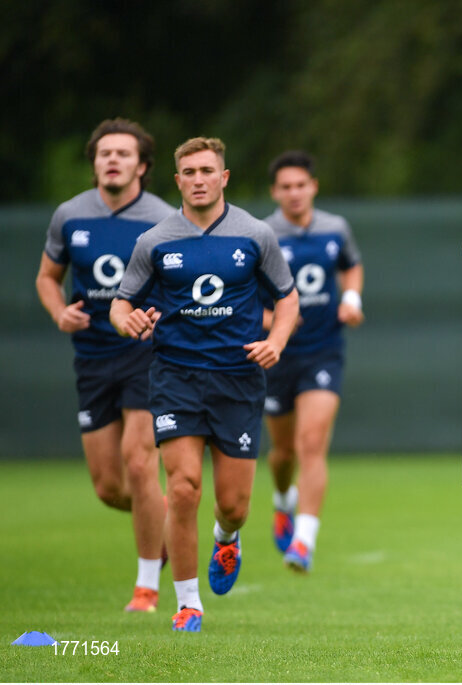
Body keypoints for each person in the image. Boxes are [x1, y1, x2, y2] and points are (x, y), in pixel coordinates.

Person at [110, 137, 298, 632]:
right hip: (175, 377)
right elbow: (121, 302)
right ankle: (188, 604)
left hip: (238, 380)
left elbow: (287, 298)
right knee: (184, 488)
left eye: (207, 171)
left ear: (224, 177)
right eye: (189, 172)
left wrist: (276, 341)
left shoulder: (255, 235)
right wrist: (125, 320)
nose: (198, 180)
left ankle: (227, 539)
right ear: (177, 181)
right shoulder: (154, 241)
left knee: (233, 506)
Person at [35, 118, 174, 613]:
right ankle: (172, 523)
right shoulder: (70, 215)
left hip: (144, 354)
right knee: (110, 487)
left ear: (142, 165)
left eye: (123, 153)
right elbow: (47, 277)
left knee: (139, 464)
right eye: (104, 153)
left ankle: (146, 588)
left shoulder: (163, 219)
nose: (112, 160)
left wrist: (158, 316)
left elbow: (181, 285)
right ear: (94, 162)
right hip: (92, 358)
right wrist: (59, 312)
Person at [261, 150, 364, 573]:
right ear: (275, 192)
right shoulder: (262, 234)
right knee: (283, 453)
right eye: (285, 187)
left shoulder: (334, 228)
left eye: (300, 185)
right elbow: (244, 295)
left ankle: (303, 541)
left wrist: (351, 299)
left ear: (313, 187)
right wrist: (273, 319)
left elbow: (351, 266)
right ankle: (283, 499)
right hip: (276, 355)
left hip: (324, 351)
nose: (294, 193)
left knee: (311, 444)